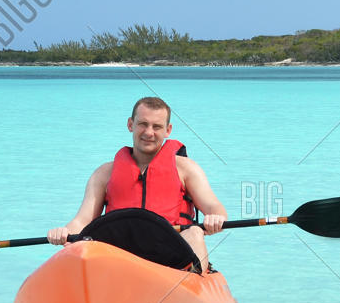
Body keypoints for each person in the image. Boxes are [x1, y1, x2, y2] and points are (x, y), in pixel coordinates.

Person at [47, 96, 226, 273]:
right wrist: (64, 232)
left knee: (194, 232)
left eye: (157, 127)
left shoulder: (186, 169)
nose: (149, 132)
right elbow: (82, 220)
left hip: (172, 256)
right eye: (143, 124)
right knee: (82, 245)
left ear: (168, 130)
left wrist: (215, 218)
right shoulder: (104, 173)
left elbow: (215, 208)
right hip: (120, 256)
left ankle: (192, 278)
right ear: (130, 124)